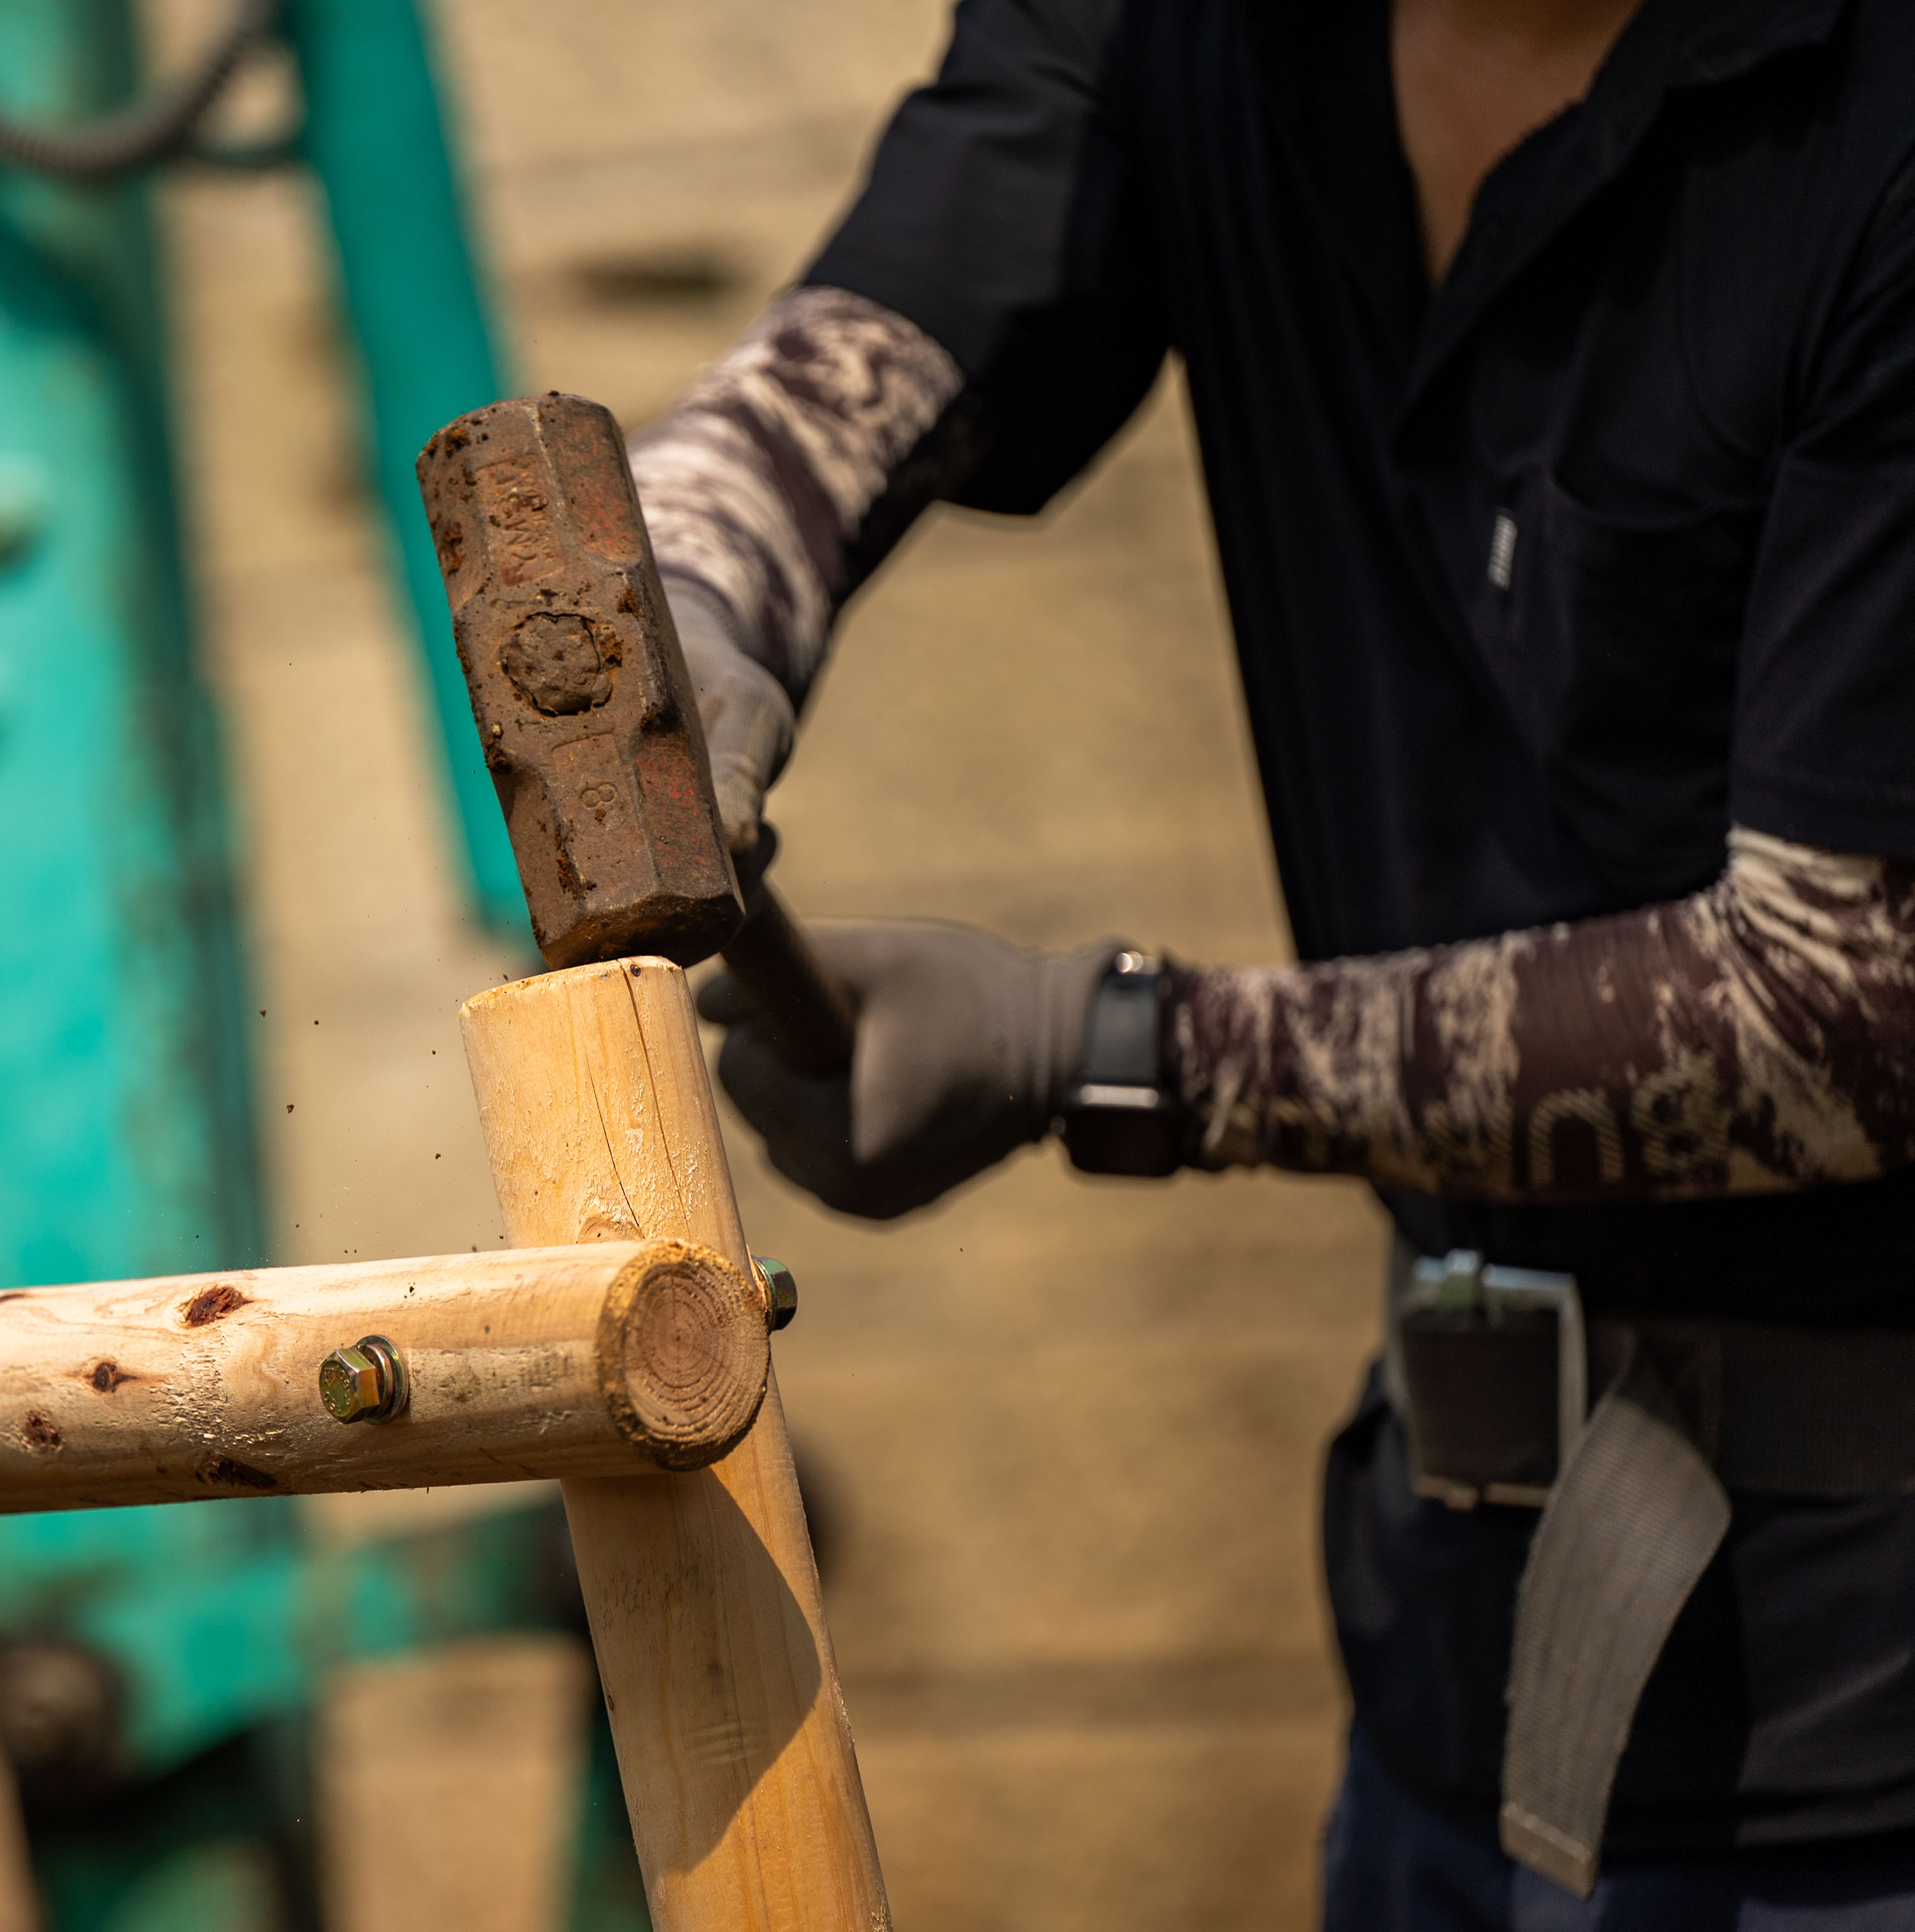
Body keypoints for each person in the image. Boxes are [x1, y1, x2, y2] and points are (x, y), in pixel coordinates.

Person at [628, 0, 1915, 1922]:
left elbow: (1840, 1009)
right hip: (1447, 1665)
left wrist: (1109, 1047)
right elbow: (873, 349)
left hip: (1858, 1751)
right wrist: (686, 587)